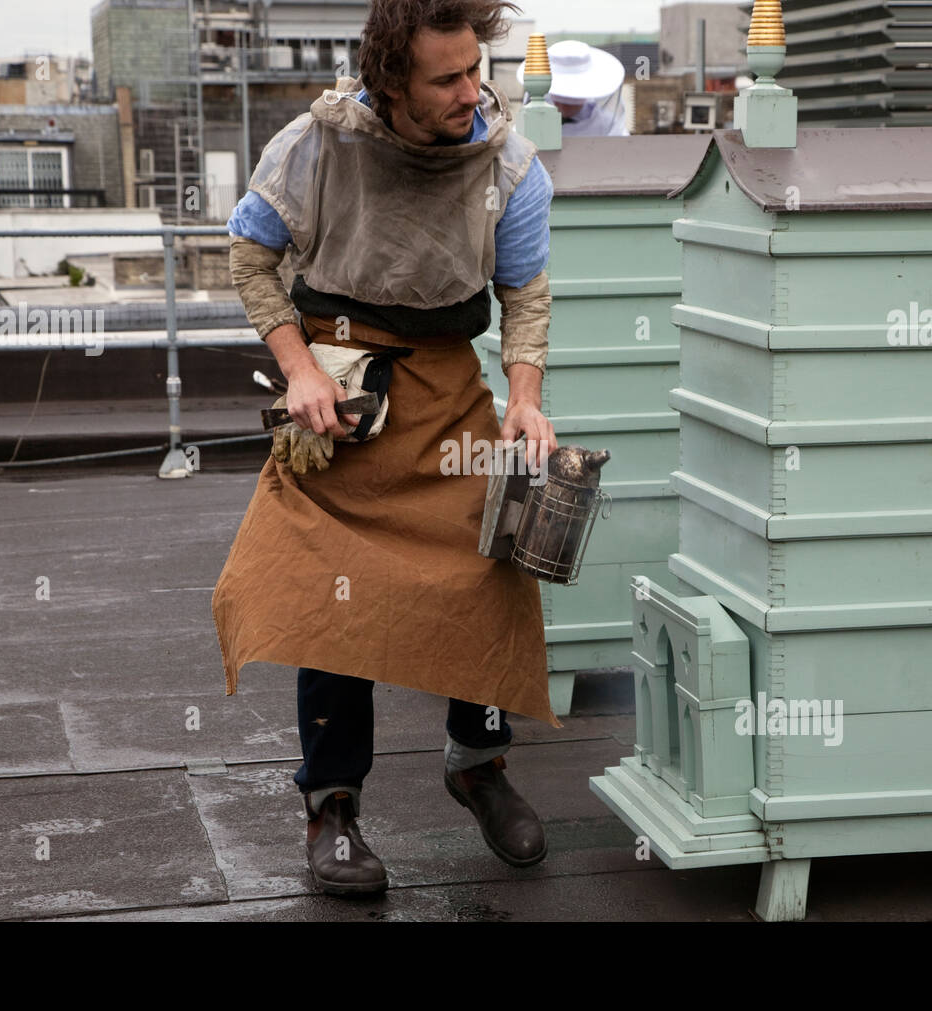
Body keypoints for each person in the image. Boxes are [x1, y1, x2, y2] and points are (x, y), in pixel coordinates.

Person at [212, 0, 563, 898]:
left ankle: (477, 763)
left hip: (449, 395)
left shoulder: (511, 166)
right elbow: (250, 257)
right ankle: (332, 808)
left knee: (490, 576)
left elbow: (524, 294)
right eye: (445, 79)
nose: (471, 91)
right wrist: (297, 368)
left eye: (474, 69)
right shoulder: (318, 146)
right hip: (342, 391)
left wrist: (524, 401)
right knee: (336, 603)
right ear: (389, 85)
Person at [517, 39, 630, 137]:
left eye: (571, 103)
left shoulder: (605, 124)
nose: (563, 106)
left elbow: (623, 147)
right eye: (559, 99)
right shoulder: (533, 120)